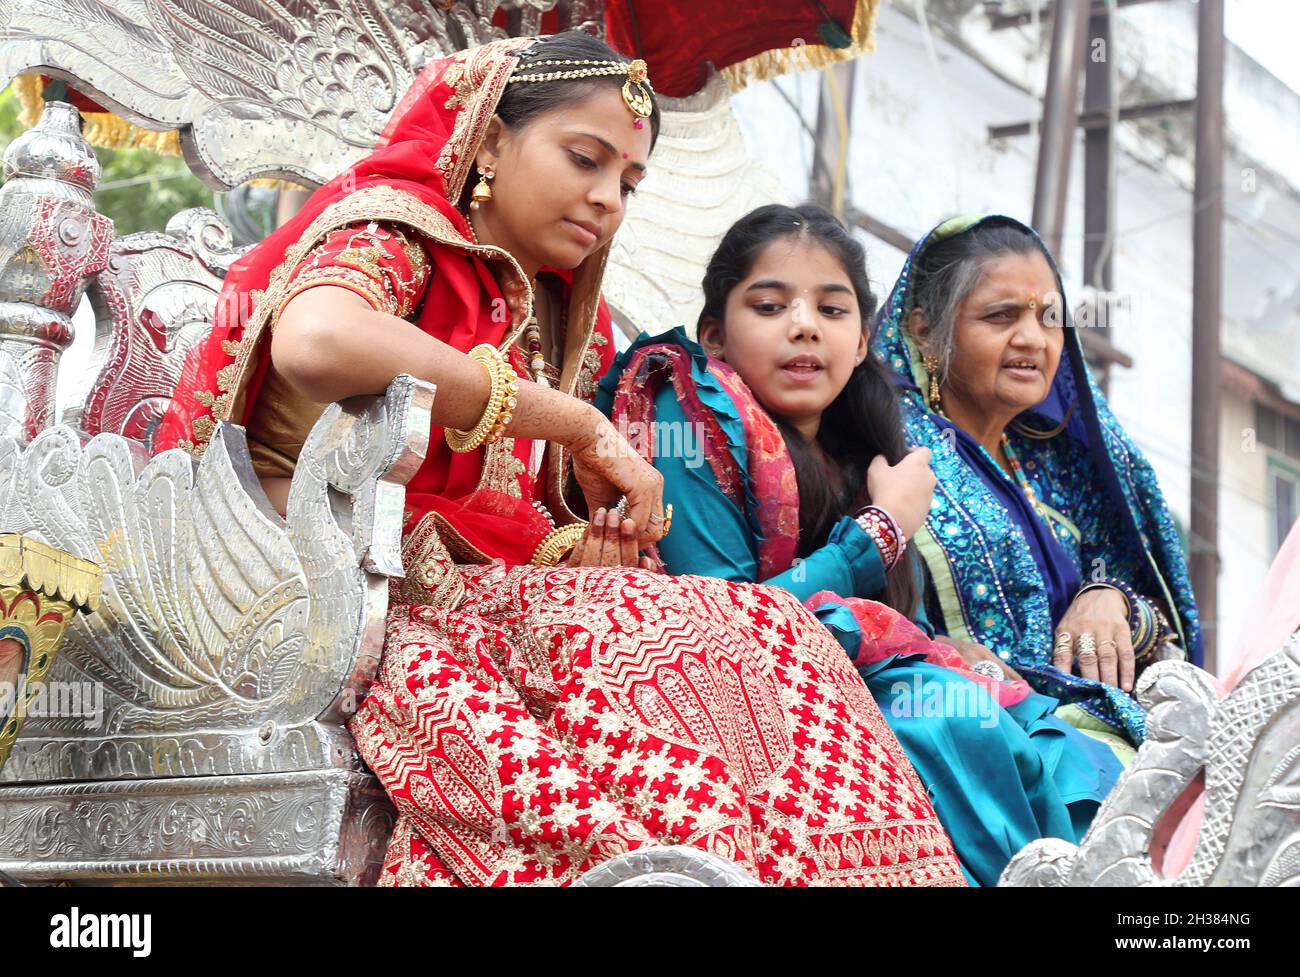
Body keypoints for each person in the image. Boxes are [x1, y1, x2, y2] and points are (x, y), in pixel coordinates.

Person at [154, 35, 963, 887]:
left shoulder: (547, 316)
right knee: (709, 651)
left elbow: (485, 512)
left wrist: (578, 549)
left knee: (770, 630)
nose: (608, 198)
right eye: (586, 158)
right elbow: (318, 339)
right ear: (490, 139)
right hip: (316, 590)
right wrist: (570, 419)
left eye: (629, 182)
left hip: (439, 589)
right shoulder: (397, 233)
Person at [599, 203, 1122, 885]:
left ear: (861, 340)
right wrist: (879, 530)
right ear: (716, 335)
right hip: (739, 697)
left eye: (832, 308)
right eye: (769, 304)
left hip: (858, 679)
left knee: (1067, 748)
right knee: (957, 728)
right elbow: (723, 625)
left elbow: (901, 622)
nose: (805, 325)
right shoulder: (692, 415)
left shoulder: (864, 442)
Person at [872, 214, 1201, 748]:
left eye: (1049, 318)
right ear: (925, 332)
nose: (1032, 339)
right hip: (964, 734)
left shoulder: (1061, 464)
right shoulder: (887, 450)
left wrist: (1108, 599)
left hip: (1099, 731)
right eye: (1000, 317)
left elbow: (1163, 626)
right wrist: (937, 648)